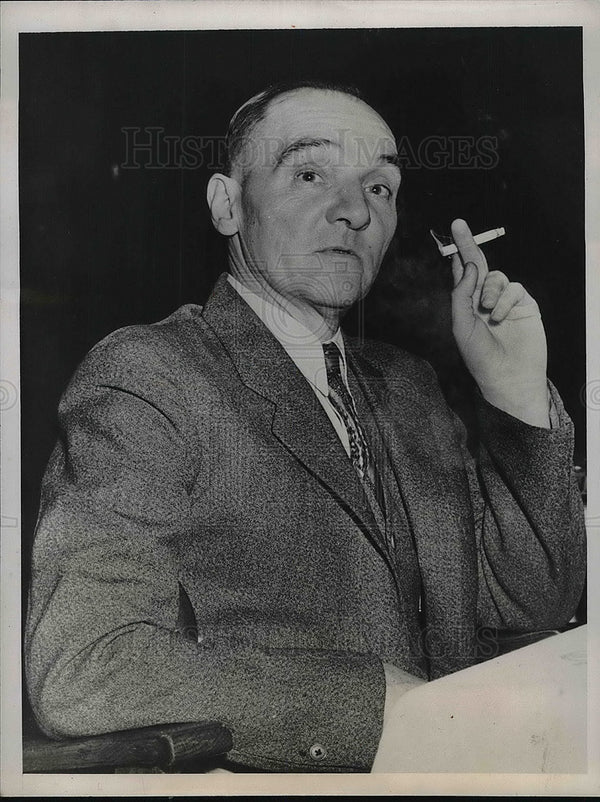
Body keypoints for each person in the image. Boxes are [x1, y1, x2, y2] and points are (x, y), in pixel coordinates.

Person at [24, 81, 586, 773]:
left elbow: (530, 603)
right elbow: (83, 667)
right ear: (228, 204)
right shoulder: (152, 375)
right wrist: (373, 706)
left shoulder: (406, 386)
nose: (354, 211)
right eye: (311, 173)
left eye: (380, 188)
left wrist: (516, 394)